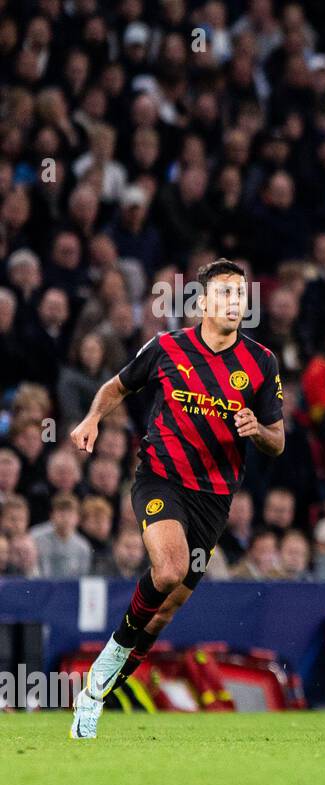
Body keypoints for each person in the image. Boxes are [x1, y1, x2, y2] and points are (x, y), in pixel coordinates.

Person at [66, 258, 284, 739]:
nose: (234, 303)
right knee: (168, 570)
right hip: (161, 479)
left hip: (215, 497)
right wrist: (92, 419)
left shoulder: (261, 362)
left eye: (240, 295)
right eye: (224, 294)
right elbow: (116, 386)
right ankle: (102, 672)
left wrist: (258, 430)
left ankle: (95, 695)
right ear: (203, 302)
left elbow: (279, 440)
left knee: (165, 609)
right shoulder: (168, 347)